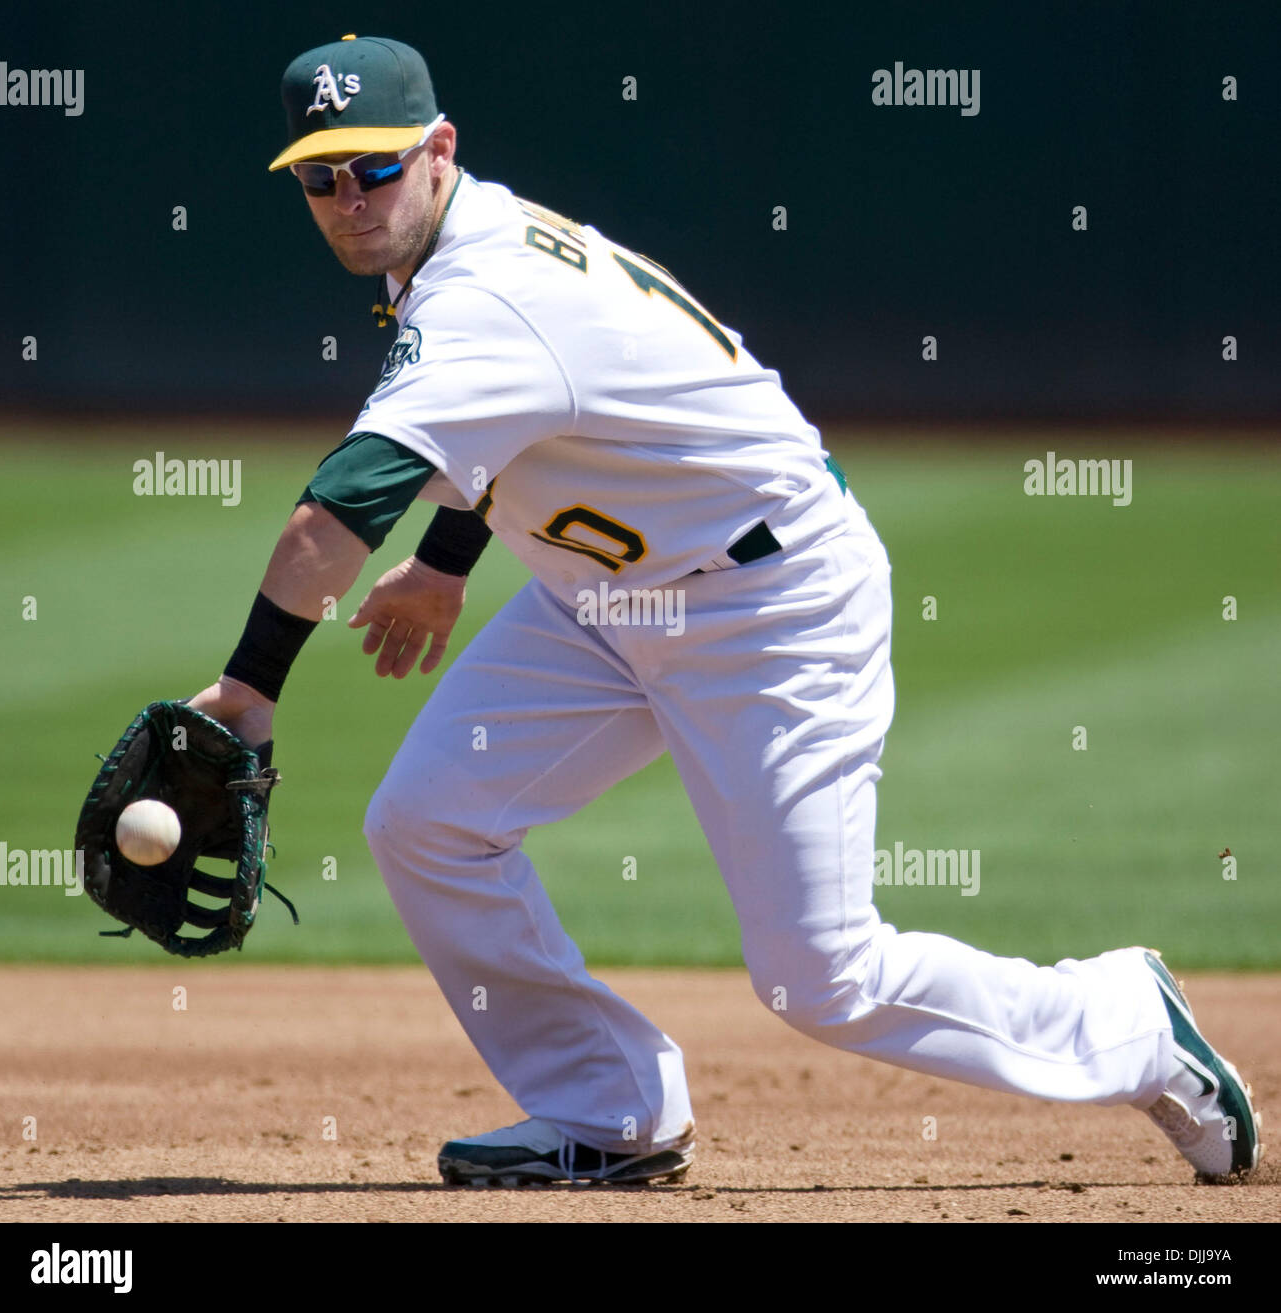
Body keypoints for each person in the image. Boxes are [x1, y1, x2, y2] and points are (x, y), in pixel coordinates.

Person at [190, 34, 1259, 1187]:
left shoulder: (489, 291)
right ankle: (609, 1110)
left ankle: (1131, 1024)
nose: (349, 197)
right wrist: (451, 560)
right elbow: (515, 423)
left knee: (821, 975)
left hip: (774, 603)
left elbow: (335, 514)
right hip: (603, 600)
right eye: (319, 175)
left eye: (375, 167)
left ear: (439, 150)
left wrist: (247, 688)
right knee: (429, 821)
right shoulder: (460, 249)